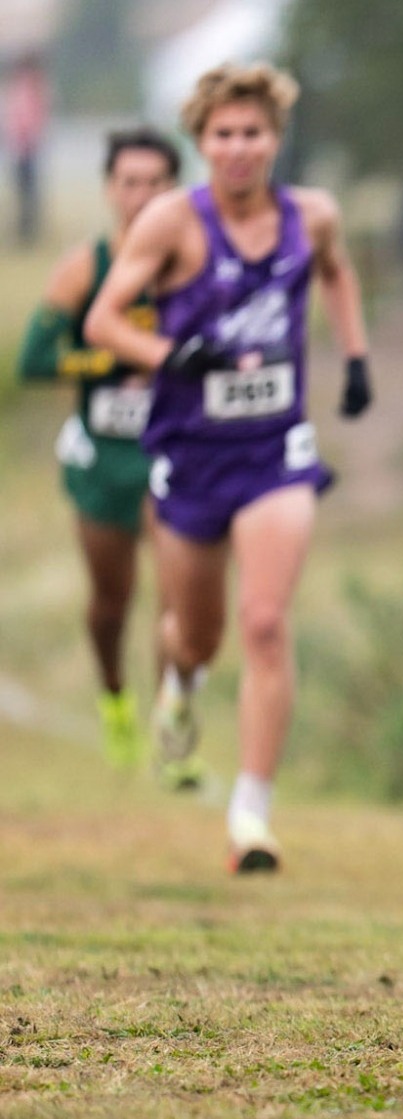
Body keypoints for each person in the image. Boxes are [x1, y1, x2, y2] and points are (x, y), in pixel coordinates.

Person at [85, 62, 374, 873]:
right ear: (201, 141)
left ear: (275, 140)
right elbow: (105, 318)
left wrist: (354, 358)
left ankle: (252, 814)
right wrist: (174, 353)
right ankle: (180, 681)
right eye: (223, 134)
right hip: (191, 455)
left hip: (276, 450)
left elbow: (337, 272)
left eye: (253, 133)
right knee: (198, 631)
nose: (239, 148)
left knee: (266, 622)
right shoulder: (172, 223)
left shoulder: (310, 216)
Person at [15, 128, 181, 774]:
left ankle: (174, 725)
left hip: (169, 454)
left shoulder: (189, 262)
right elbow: (35, 359)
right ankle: (115, 699)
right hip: (102, 457)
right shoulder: (86, 266)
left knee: (178, 597)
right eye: (129, 182)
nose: (141, 196)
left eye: (155, 182)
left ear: (175, 187)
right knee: (112, 602)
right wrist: (108, 359)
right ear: (110, 189)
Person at [5, 52, 49, 246]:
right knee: (25, 193)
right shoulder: (28, 90)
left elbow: (29, 123)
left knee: (28, 193)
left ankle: (28, 232)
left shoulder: (32, 90)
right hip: (22, 149)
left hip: (27, 150)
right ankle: (25, 230)